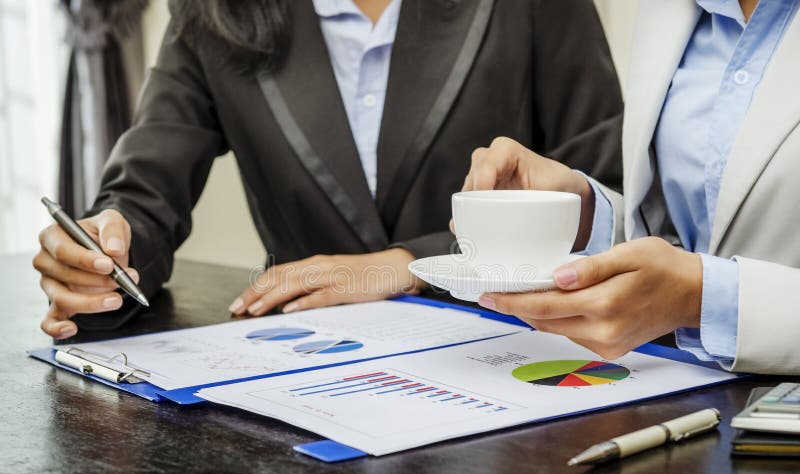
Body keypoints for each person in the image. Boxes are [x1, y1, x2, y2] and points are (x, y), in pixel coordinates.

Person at [33, 0, 623, 339]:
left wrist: (409, 266)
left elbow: (610, 199)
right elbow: (144, 197)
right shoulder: (211, 11)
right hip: (303, 373)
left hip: (515, 364)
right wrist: (104, 256)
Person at [463, 0, 800, 375]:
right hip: (678, 379)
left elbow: (692, 277)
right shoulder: (669, 9)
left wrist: (701, 297)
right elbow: (680, 238)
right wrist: (579, 213)